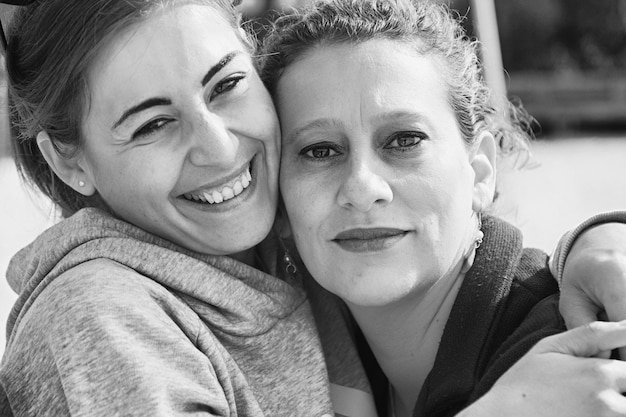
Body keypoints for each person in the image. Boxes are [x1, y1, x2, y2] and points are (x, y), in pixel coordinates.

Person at [0, 0, 626, 416]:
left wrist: (592, 243)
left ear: (480, 165)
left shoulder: (575, 368)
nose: (220, 149)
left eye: (225, 86)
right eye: (153, 124)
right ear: (67, 159)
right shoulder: (106, 316)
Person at [259, 0, 626, 415]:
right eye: (320, 151)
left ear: (480, 171)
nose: (362, 188)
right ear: (280, 205)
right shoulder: (294, 358)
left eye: (404, 140)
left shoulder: (581, 363)